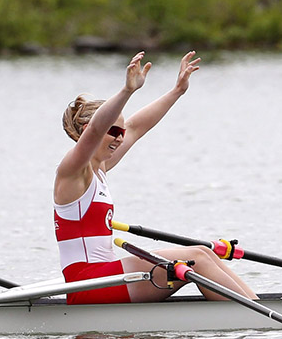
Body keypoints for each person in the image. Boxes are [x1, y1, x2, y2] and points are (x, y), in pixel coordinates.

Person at [55, 51, 257, 304]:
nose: (120, 137)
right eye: (114, 131)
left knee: (203, 252)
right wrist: (127, 91)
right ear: (88, 132)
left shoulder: (102, 168)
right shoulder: (72, 171)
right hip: (86, 284)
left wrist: (177, 91)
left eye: (121, 131)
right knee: (199, 259)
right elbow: (97, 128)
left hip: (105, 276)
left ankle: (256, 304)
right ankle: (254, 315)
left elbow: (137, 128)